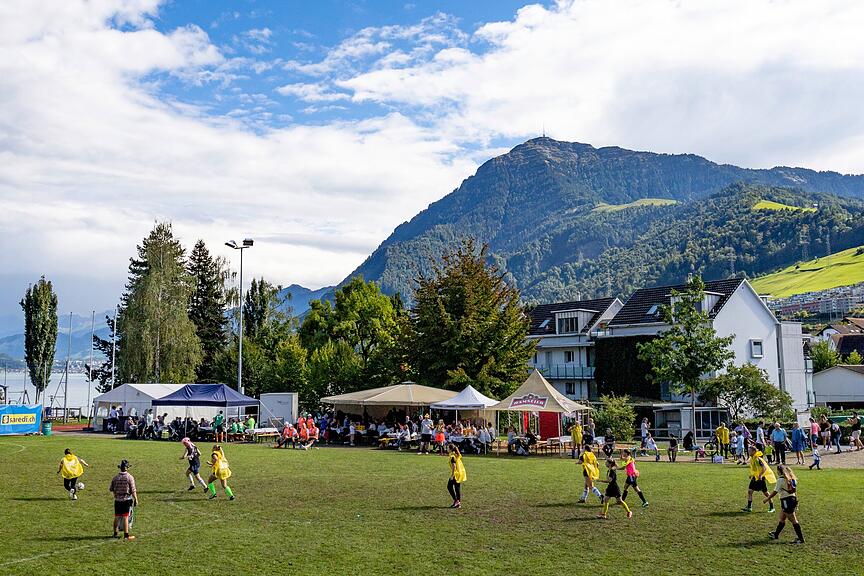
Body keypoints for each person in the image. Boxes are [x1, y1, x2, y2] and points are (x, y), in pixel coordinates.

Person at [766, 465, 805, 544]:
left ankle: (801, 539)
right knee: (782, 518)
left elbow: (775, 491)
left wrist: (767, 499)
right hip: (792, 499)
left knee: (793, 520)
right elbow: (794, 491)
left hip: (786, 501)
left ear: (780, 471)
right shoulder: (792, 479)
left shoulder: (780, 480)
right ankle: (776, 534)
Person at [109, 459, 138, 540]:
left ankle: (115, 533)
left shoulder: (115, 477)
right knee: (125, 517)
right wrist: (136, 499)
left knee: (117, 517)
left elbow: (111, 488)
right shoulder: (130, 477)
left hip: (117, 500)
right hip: (126, 500)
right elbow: (133, 490)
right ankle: (126, 535)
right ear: (127, 468)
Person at [741, 444, 775, 513]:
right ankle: (749, 507)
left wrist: (760, 475)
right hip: (755, 478)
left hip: (760, 479)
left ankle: (772, 507)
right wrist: (752, 475)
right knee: (750, 491)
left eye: (750, 451)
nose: (748, 452)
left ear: (754, 451)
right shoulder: (753, 458)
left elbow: (764, 468)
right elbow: (755, 469)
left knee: (766, 493)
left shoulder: (758, 459)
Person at [446, 443, 467, 508]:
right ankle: (458, 503)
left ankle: (456, 501)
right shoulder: (455, 454)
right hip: (460, 473)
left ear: (450, 449)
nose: (447, 449)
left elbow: (454, 466)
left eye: (447, 448)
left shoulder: (452, 456)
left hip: (456, 474)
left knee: (449, 487)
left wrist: (452, 475)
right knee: (457, 488)